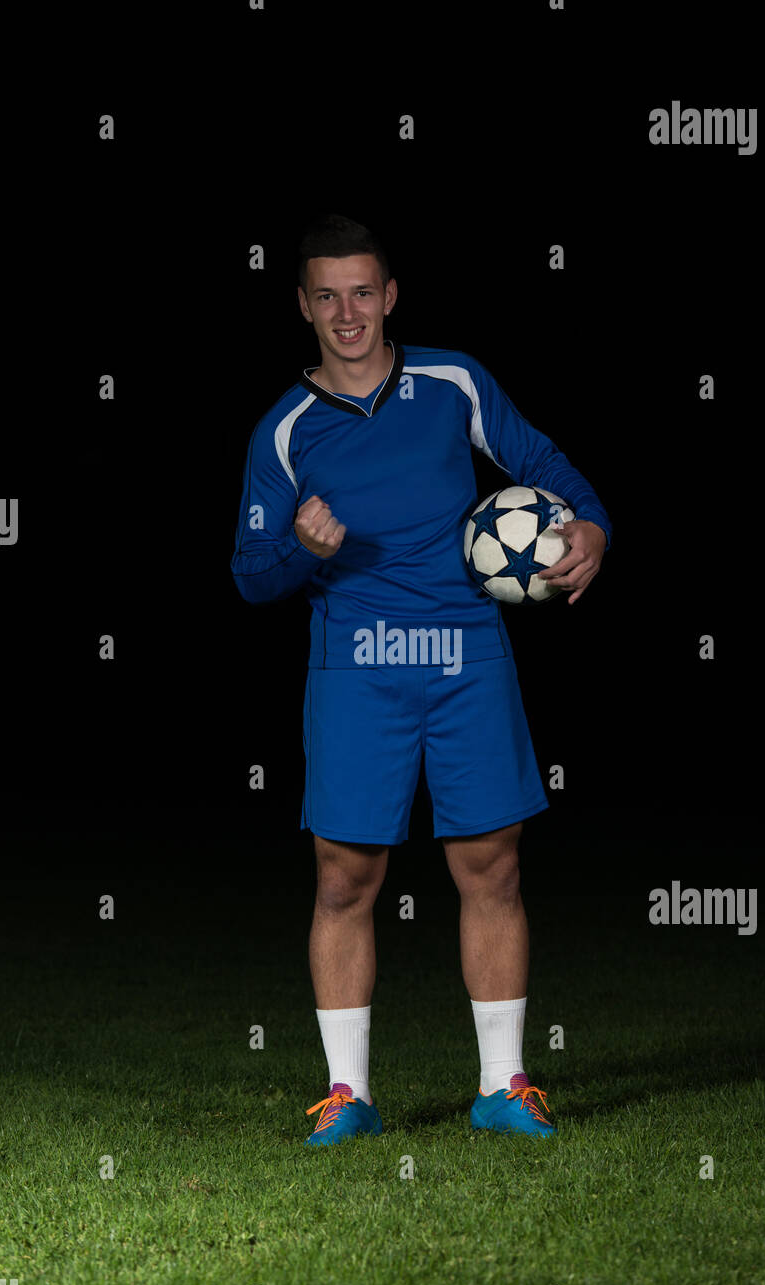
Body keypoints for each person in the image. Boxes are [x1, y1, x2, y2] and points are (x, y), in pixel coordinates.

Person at [231, 213, 611, 1145]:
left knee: (493, 866)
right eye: (327, 295)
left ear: (390, 295)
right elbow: (250, 575)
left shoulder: (454, 381)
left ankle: (502, 1087)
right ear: (303, 306)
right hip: (356, 670)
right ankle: (348, 1096)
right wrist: (298, 550)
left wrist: (593, 525)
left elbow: (543, 462)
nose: (347, 311)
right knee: (343, 879)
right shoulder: (283, 430)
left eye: (363, 291)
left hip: (467, 657)